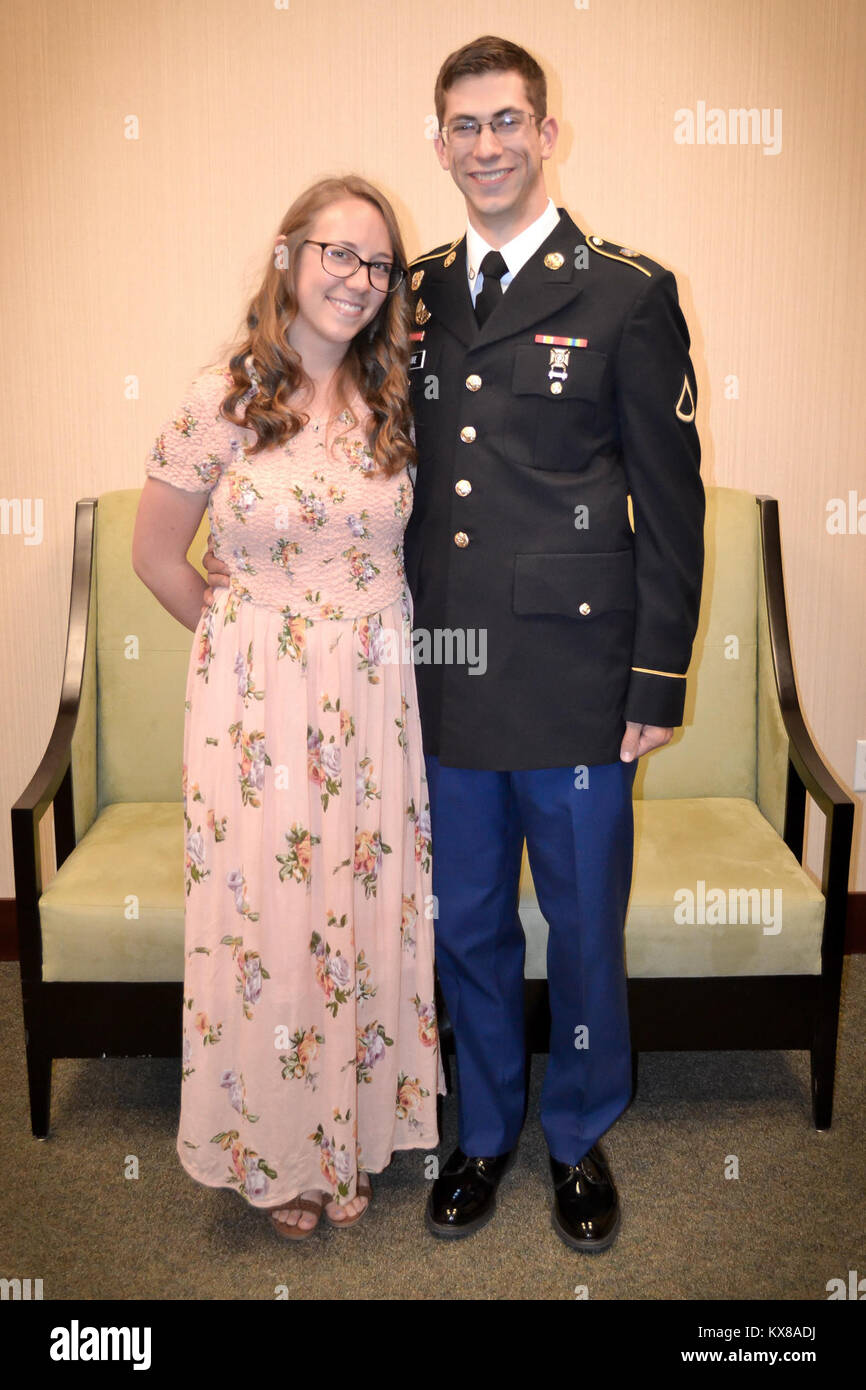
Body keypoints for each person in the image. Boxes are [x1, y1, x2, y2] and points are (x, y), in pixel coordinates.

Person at [401, 35, 705, 1251]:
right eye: (464, 126)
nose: (486, 147)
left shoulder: (627, 291)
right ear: (439, 144)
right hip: (447, 677)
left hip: (581, 682)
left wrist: (657, 675)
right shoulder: (408, 290)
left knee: (579, 925)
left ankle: (577, 1134)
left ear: (546, 133)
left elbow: (669, 505)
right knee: (465, 918)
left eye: (507, 122)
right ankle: (483, 1130)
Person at [132, 175, 443, 1240]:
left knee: (356, 911)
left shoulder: (393, 396)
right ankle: (276, 1154)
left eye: (376, 263)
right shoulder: (222, 393)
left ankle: (351, 1133)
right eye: (335, 254)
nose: (355, 280)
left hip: (372, 699)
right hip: (256, 706)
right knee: (271, 918)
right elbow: (157, 558)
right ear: (288, 257)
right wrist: (247, 645)